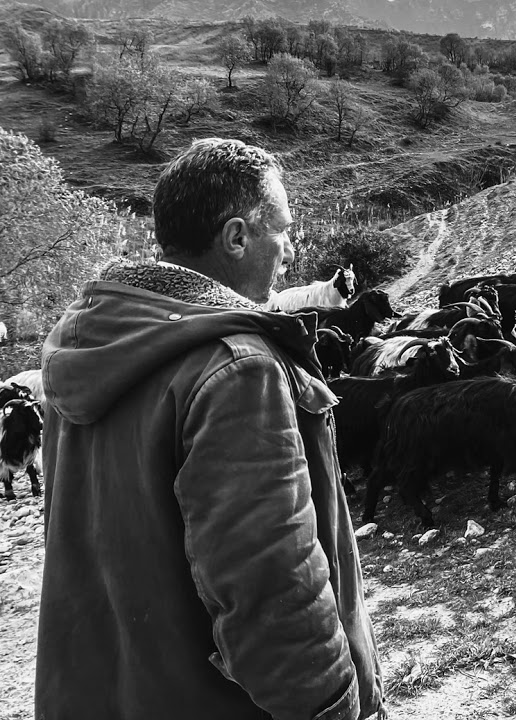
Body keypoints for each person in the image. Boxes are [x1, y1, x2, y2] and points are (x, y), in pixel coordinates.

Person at [36, 138, 384, 720]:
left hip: (106, 689)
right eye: (283, 231)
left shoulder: (82, 350)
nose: (291, 250)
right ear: (237, 237)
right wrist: (333, 703)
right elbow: (273, 585)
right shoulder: (235, 369)